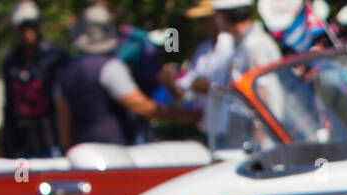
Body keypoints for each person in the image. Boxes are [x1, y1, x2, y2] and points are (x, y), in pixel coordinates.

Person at [55, 4, 199, 148]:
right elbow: (141, 106)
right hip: (113, 152)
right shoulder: (110, 67)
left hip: (81, 152)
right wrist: (184, 115)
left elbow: (63, 118)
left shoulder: (65, 71)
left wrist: (67, 148)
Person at [0, 1, 69, 158]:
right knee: (22, 182)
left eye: (30, 26)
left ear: (38, 26)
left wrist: (66, 142)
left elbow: (63, 104)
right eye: (22, 28)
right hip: (22, 144)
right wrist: (5, 144)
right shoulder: (11, 63)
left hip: (52, 142)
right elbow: (9, 106)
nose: (27, 32)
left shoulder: (55, 58)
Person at [164, 0, 235, 137]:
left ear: (217, 17)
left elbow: (235, 88)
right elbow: (185, 91)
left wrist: (207, 86)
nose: (200, 25)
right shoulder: (203, 49)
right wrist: (170, 83)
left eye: (203, 20)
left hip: (231, 130)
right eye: (198, 21)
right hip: (207, 131)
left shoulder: (231, 45)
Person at [214, 0, 282, 83]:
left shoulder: (254, 44)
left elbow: (265, 89)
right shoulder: (242, 43)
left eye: (216, 14)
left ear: (224, 16)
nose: (215, 20)